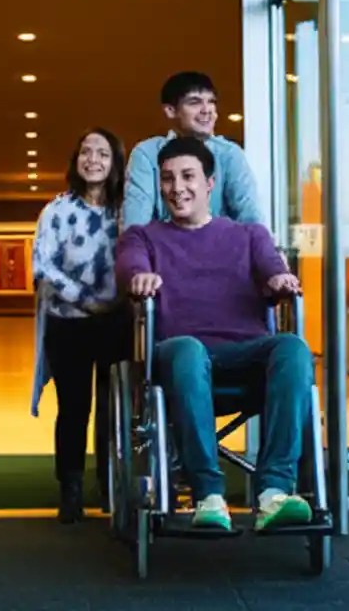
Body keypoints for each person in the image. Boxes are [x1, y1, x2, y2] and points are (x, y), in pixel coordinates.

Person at [116, 136, 315, 533]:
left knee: (292, 347)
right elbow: (128, 263)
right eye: (168, 179)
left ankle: (274, 492)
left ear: (210, 183)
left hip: (245, 356)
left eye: (188, 176)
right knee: (190, 350)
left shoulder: (248, 235)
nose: (177, 188)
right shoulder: (145, 237)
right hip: (182, 359)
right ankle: (208, 494)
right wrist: (140, 275)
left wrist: (279, 279)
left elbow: (272, 267)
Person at [31, 127, 130, 524]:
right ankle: (70, 490)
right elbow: (42, 266)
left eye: (103, 153)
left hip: (116, 323)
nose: (93, 159)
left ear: (115, 162)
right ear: (75, 160)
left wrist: (117, 302)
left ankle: (111, 487)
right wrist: (88, 300)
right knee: (74, 409)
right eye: (86, 151)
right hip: (68, 323)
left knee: (114, 409)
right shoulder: (57, 209)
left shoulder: (127, 211)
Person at [121, 71, 262, 229]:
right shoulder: (147, 154)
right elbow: (134, 227)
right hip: (161, 251)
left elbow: (251, 218)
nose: (207, 110)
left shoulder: (229, 154)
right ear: (170, 110)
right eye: (195, 102)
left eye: (211, 102)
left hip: (220, 250)